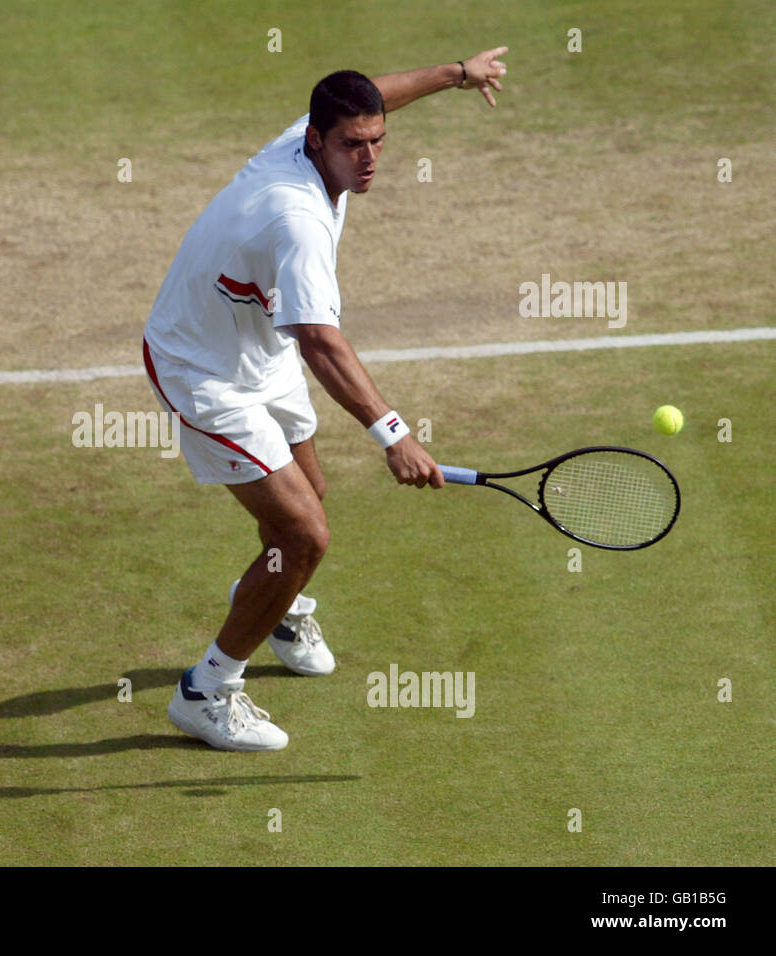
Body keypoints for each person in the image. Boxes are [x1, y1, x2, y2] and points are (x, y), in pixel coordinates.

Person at [143, 49, 509, 751]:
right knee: (304, 534)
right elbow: (320, 341)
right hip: (203, 368)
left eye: (377, 143)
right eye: (352, 145)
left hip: (257, 343)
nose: (368, 158)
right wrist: (396, 437)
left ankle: (279, 609)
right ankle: (207, 690)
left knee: (309, 492)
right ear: (316, 141)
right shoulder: (298, 219)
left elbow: (375, 96)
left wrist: (456, 74)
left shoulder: (306, 140)